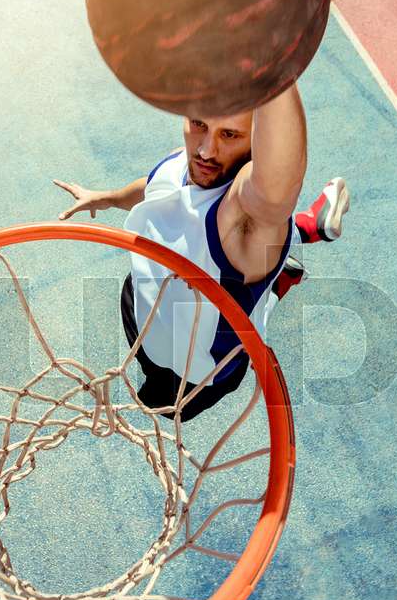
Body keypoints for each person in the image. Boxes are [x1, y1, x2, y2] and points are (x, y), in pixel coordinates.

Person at [52, 85, 349, 419]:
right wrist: (106, 198)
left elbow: (274, 190)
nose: (206, 150)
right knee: (144, 290)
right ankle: (305, 230)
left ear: (257, 141)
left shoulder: (239, 208)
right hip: (144, 308)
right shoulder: (183, 161)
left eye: (230, 134)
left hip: (197, 375)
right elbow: (154, 187)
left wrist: (277, 75)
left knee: (166, 410)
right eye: (199, 124)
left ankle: (279, 278)